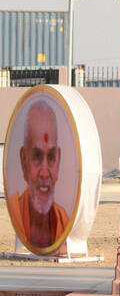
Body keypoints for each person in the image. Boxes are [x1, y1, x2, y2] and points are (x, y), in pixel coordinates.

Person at [8, 100, 70, 251]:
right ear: (24, 161)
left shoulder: (63, 220)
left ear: (59, 160)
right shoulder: (16, 211)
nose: (44, 173)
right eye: (36, 156)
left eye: (51, 157)